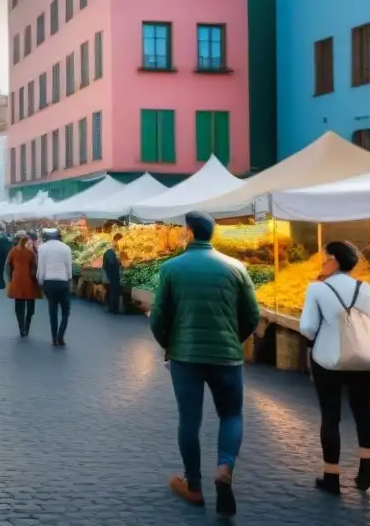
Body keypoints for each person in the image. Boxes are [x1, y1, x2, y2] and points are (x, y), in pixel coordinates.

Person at [149, 211, 260, 517]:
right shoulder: (237, 268)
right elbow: (252, 314)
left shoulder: (171, 268)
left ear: (187, 232)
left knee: (189, 420)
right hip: (227, 356)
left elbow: (159, 317)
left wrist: (169, 346)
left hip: (186, 356)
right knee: (231, 414)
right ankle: (225, 465)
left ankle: (194, 486)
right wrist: (233, 340)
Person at [298, 240, 370, 496]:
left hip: (329, 361)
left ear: (335, 260)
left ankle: (332, 477)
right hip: (365, 362)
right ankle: (365, 470)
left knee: (331, 417)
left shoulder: (316, 289)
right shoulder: (365, 288)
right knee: (363, 414)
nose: (322, 263)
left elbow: (307, 328)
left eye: (324, 258)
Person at [36, 228, 74, 347]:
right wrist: (69, 279)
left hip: (49, 282)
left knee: (52, 311)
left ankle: (53, 338)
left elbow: (41, 268)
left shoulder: (42, 248)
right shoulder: (66, 248)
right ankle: (60, 336)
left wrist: (40, 282)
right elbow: (69, 267)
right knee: (65, 311)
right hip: (62, 282)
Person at [6, 233, 41, 337]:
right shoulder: (30, 252)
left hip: (17, 281)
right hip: (30, 282)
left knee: (19, 307)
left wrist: (10, 277)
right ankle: (27, 326)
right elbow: (35, 267)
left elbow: (8, 265)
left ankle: (22, 328)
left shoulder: (12, 251)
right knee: (30, 307)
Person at [102, 233, 124, 314]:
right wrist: (119, 263)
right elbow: (111, 262)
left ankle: (112, 307)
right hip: (112, 274)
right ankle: (113, 308)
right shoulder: (111, 250)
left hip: (111, 273)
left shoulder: (112, 249)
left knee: (112, 290)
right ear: (117, 240)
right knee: (113, 290)